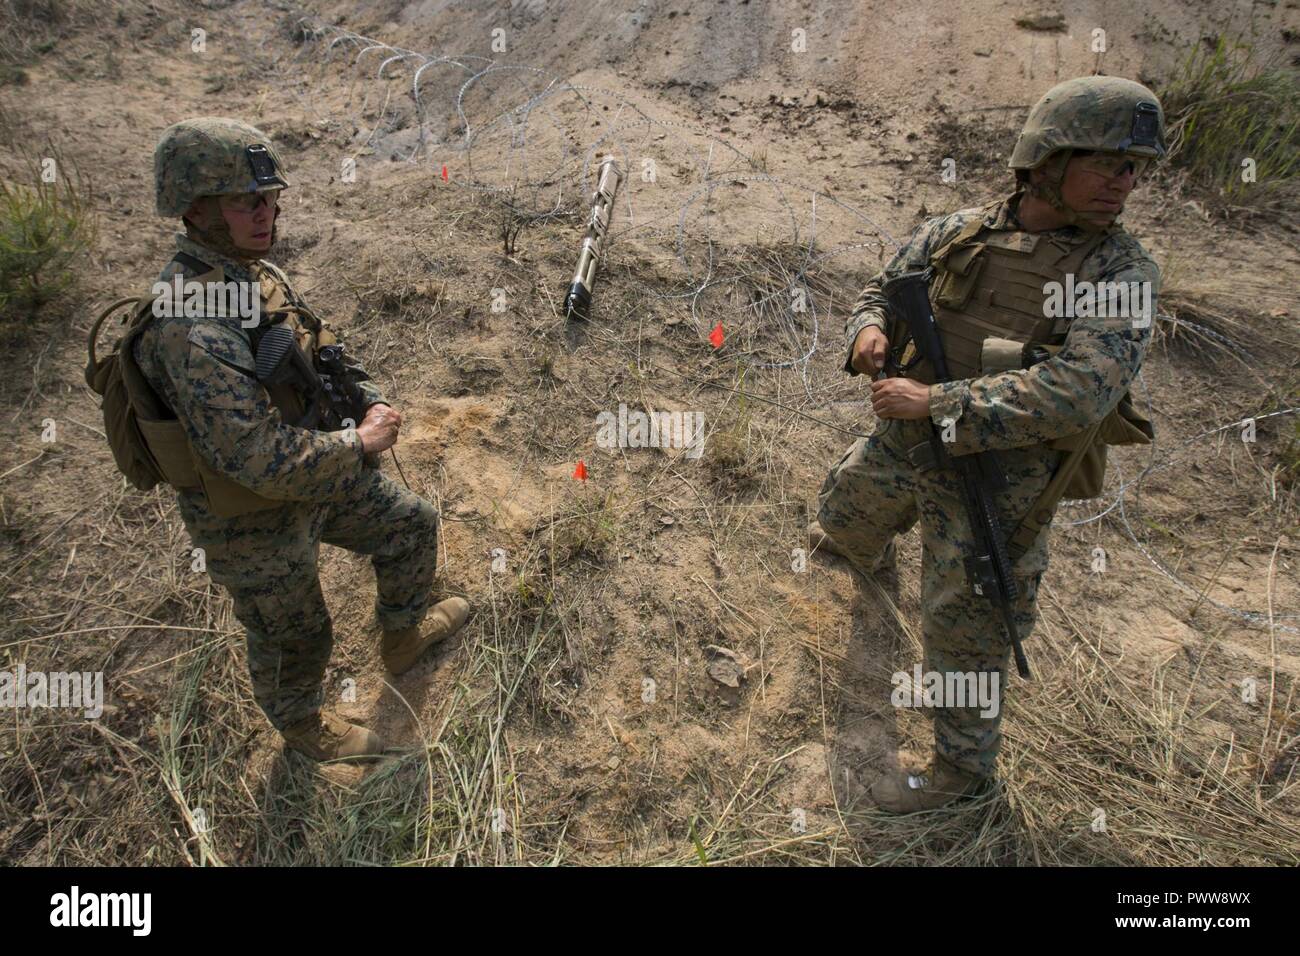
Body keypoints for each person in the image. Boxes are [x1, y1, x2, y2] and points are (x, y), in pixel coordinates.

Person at [812, 76, 1163, 812]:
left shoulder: (1118, 273)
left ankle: (959, 781)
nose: (1122, 183)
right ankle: (865, 563)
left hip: (997, 484)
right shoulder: (960, 231)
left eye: (1132, 168)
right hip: (905, 442)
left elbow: (1080, 391)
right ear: (1047, 162)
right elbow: (881, 286)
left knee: (964, 633)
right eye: (1105, 162)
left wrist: (938, 400)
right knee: (842, 521)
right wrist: (867, 332)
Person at [124, 117, 468, 760]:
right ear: (195, 208)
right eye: (247, 201)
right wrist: (361, 445)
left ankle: (403, 636)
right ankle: (304, 727)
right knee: (295, 631)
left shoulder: (254, 273)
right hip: (250, 515)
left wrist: (367, 397)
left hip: (315, 467)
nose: (267, 212)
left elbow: (319, 342)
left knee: (411, 525)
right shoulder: (188, 321)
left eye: (272, 198)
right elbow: (253, 457)